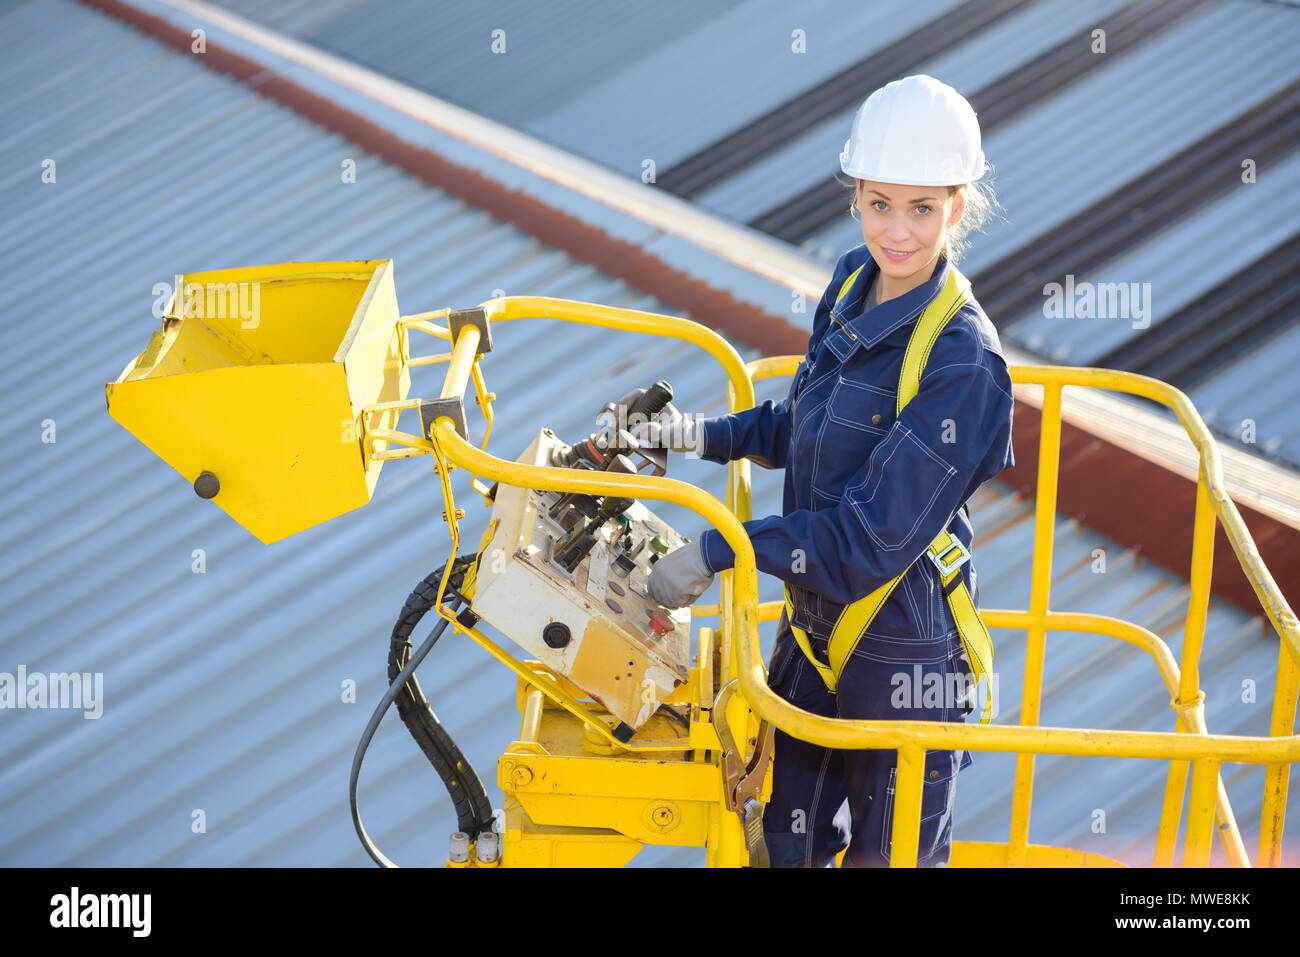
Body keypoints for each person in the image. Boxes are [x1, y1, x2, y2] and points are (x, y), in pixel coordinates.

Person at [640, 75, 1015, 867]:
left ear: (958, 204)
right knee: (781, 841)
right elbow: (806, 430)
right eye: (880, 203)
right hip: (812, 627)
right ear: (856, 197)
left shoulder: (964, 362)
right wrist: (692, 432)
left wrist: (719, 550)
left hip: (904, 653)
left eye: (922, 208)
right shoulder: (851, 280)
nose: (898, 232)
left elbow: (863, 540)